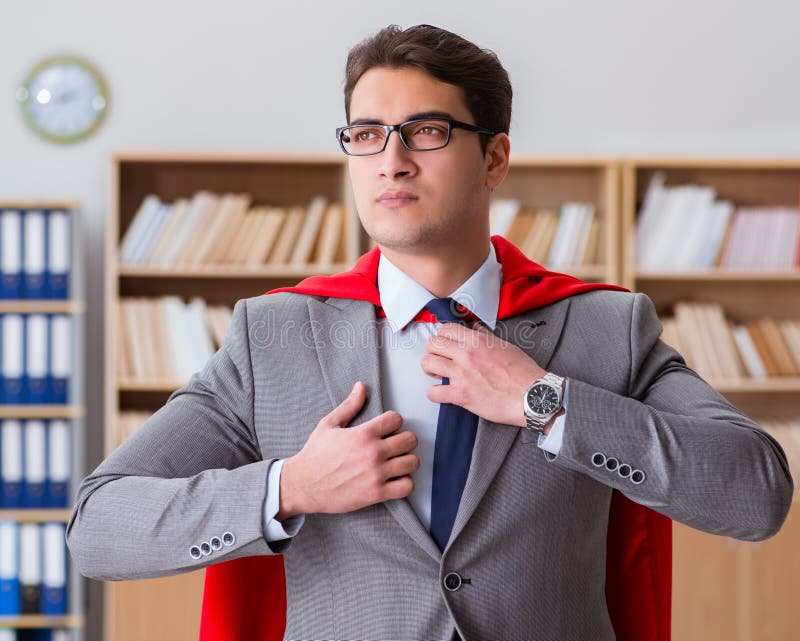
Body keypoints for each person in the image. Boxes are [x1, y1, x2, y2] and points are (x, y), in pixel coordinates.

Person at [67, 24, 793, 641]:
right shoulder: (274, 336)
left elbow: (755, 492)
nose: (392, 158)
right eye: (367, 133)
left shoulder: (606, 327)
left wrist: (545, 401)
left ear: (495, 158)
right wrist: (290, 485)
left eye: (427, 130)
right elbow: (97, 525)